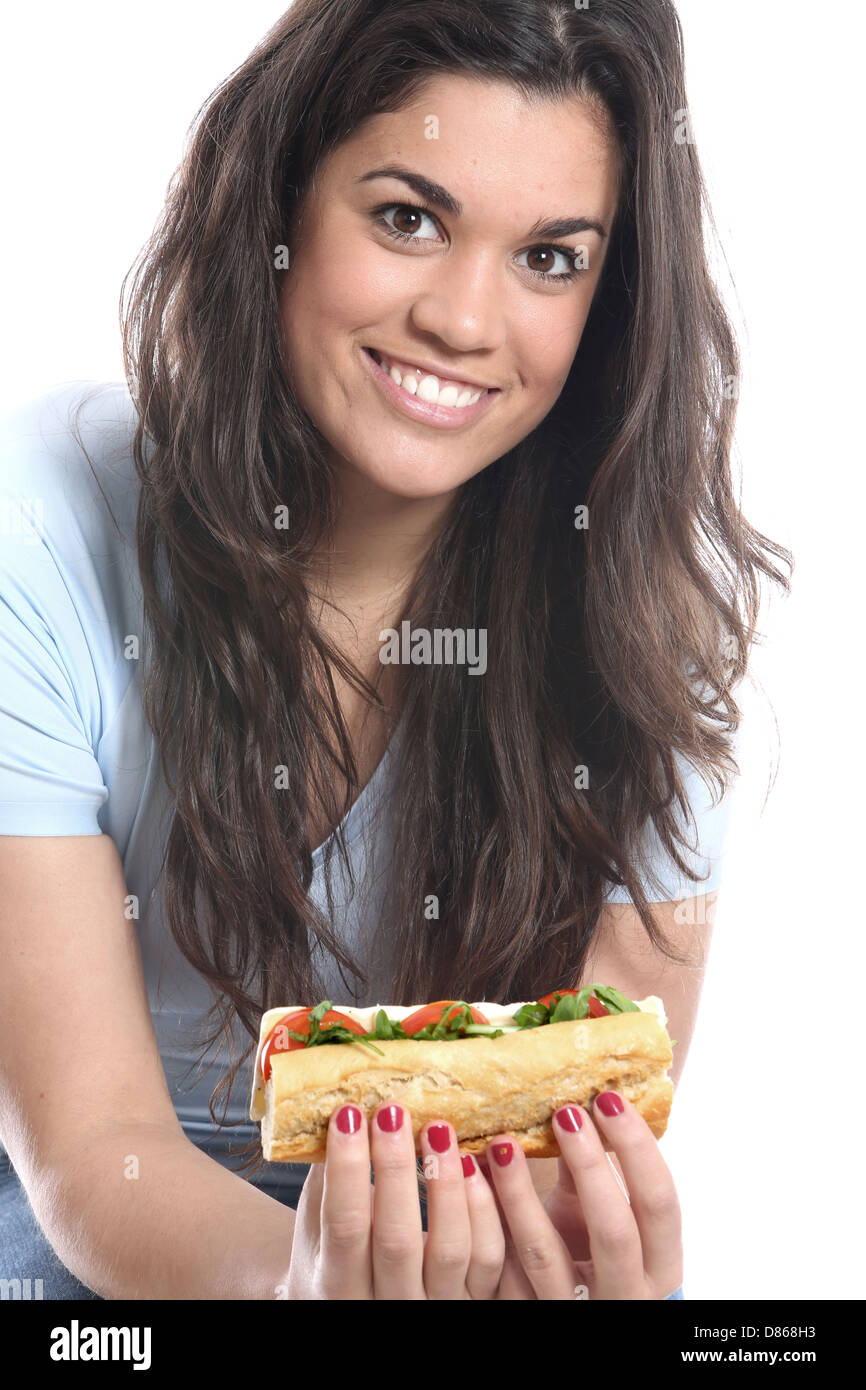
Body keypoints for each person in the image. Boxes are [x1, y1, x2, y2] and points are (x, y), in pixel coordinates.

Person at [0, 0, 791, 1299]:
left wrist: (551, 1270)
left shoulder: (650, 619)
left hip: (439, 1236)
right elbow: (94, 1146)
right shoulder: (37, 526)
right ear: (277, 206)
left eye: (549, 258)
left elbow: (568, 1124)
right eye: (407, 218)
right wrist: (308, 1293)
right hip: (90, 1217)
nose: (465, 321)